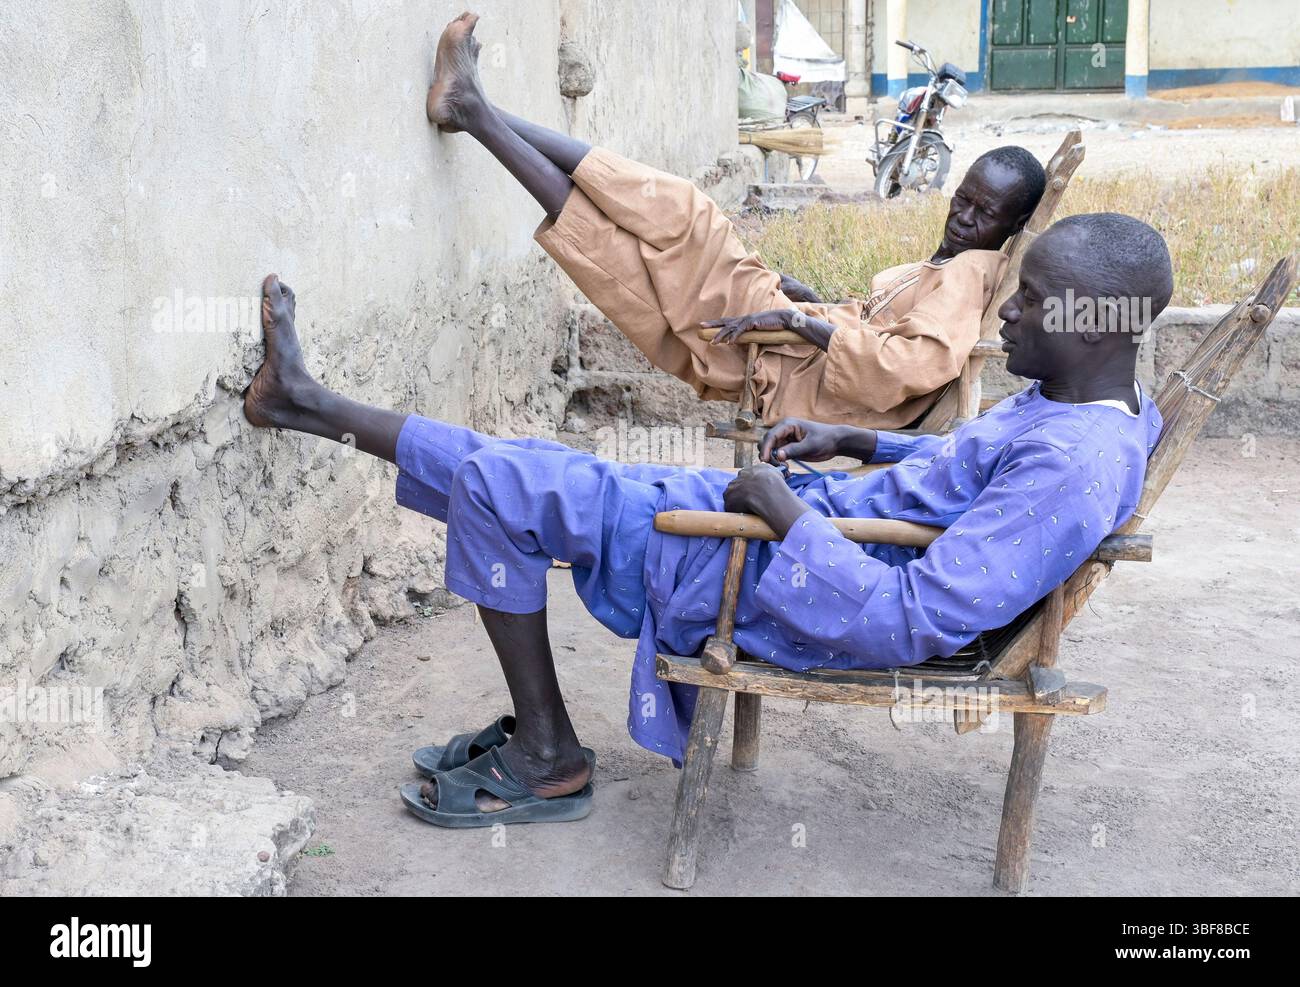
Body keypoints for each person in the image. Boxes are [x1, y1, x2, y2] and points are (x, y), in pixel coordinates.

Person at [243, 208, 1173, 827]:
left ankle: (549, 754)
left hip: (782, 573)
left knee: (503, 486)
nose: (1004, 313)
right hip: (800, 528)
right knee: (532, 472)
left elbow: (914, 617)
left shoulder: (1073, 467)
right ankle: (303, 403)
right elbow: (963, 469)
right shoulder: (1084, 403)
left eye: (1034, 301)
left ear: (1097, 322)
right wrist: (861, 446)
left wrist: (787, 518)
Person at [423, 11, 1046, 429]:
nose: (963, 219)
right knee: (615, 249)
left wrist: (798, 322)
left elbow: (906, 367)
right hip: (774, 357)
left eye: (983, 213)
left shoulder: (971, 275)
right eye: (962, 199)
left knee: (684, 214)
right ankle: (474, 111)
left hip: (783, 367)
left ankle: (477, 108)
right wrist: (821, 306)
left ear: (1011, 225)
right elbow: (884, 331)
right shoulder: (956, 263)